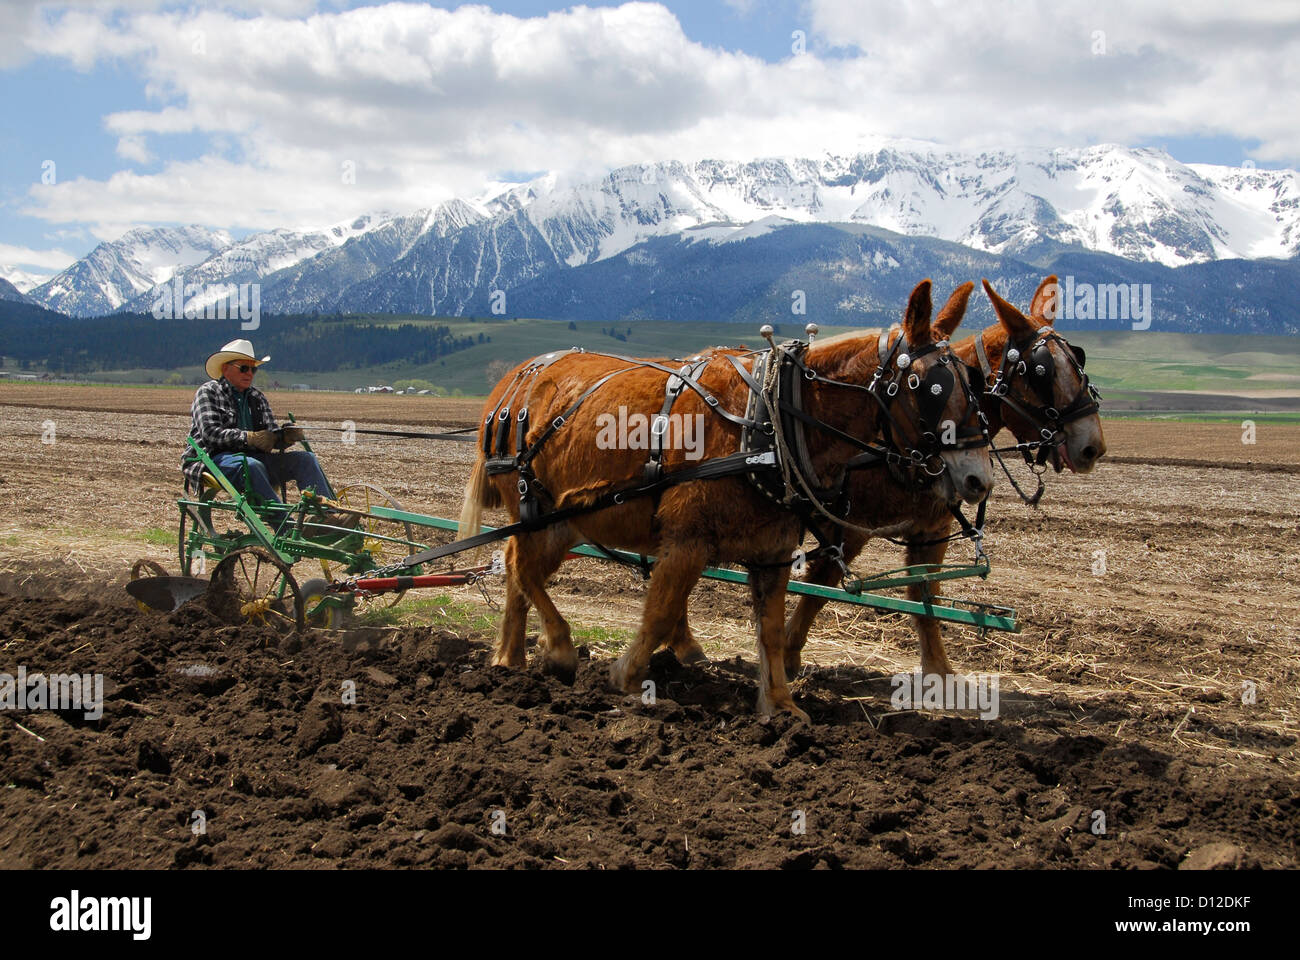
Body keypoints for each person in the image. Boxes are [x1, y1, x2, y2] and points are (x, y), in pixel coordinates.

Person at [181, 339, 335, 504]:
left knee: (306, 459)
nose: (249, 374)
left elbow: (270, 436)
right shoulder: (208, 392)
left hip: (254, 459)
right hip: (214, 458)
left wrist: (284, 437)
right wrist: (249, 437)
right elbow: (210, 435)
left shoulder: (257, 397)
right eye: (244, 368)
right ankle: (284, 526)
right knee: (252, 466)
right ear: (225, 368)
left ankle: (327, 517)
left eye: (253, 369)